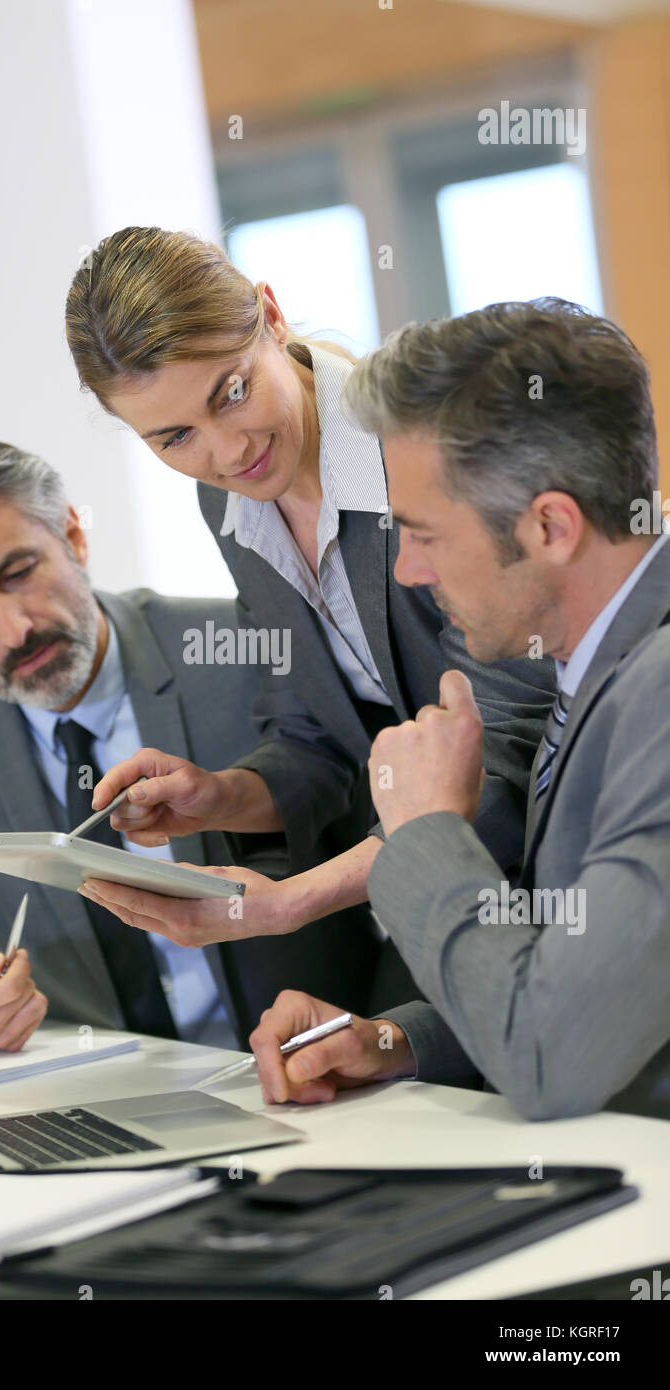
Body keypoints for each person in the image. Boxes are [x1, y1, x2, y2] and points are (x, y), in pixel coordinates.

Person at [63, 227, 555, 980]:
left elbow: (506, 749)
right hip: (445, 896)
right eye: (174, 438)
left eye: (232, 391)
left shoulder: (428, 444)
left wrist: (290, 901)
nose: (228, 452)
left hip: (563, 875)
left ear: (272, 313)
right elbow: (316, 738)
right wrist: (218, 795)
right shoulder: (229, 501)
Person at [0, 439, 387, 1058]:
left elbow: (405, 835)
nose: (15, 629)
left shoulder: (244, 649)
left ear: (74, 537)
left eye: (19, 573)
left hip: (318, 1073)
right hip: (97, 1103)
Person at [248, 298, 670, 1122]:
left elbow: (552, 1053)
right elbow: (609, 985)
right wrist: (395, 1042)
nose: (405, 572)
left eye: (424, 534)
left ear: (551, 525)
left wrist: (427, 827)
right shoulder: (600, 662)